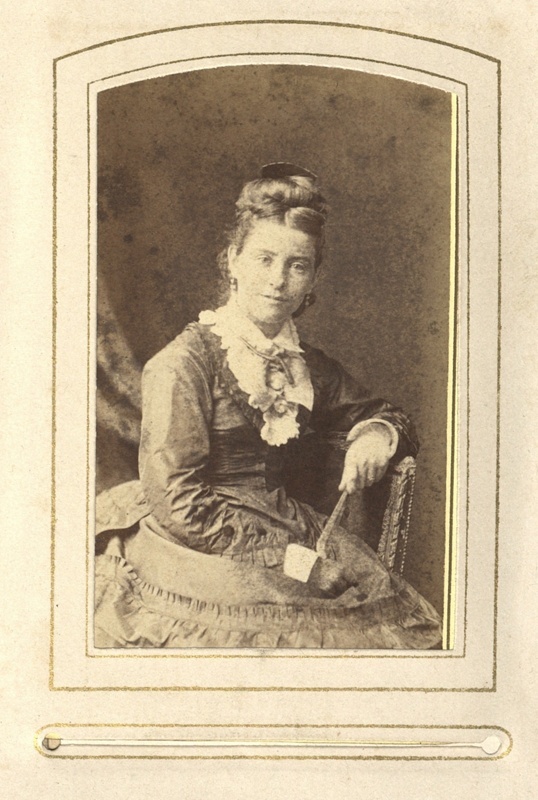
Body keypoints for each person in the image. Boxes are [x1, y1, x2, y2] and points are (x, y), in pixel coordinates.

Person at [94, 163, 442, 649]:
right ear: (233, 261)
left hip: (287, 523)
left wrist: (374, 435)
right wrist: (290, 561)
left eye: (297, 265)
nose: (278, 280)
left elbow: (386, 414)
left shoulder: (302, 363)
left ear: (312, 278)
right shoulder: (183, 363)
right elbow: (177, 500)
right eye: (264, 259)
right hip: (198, 539)